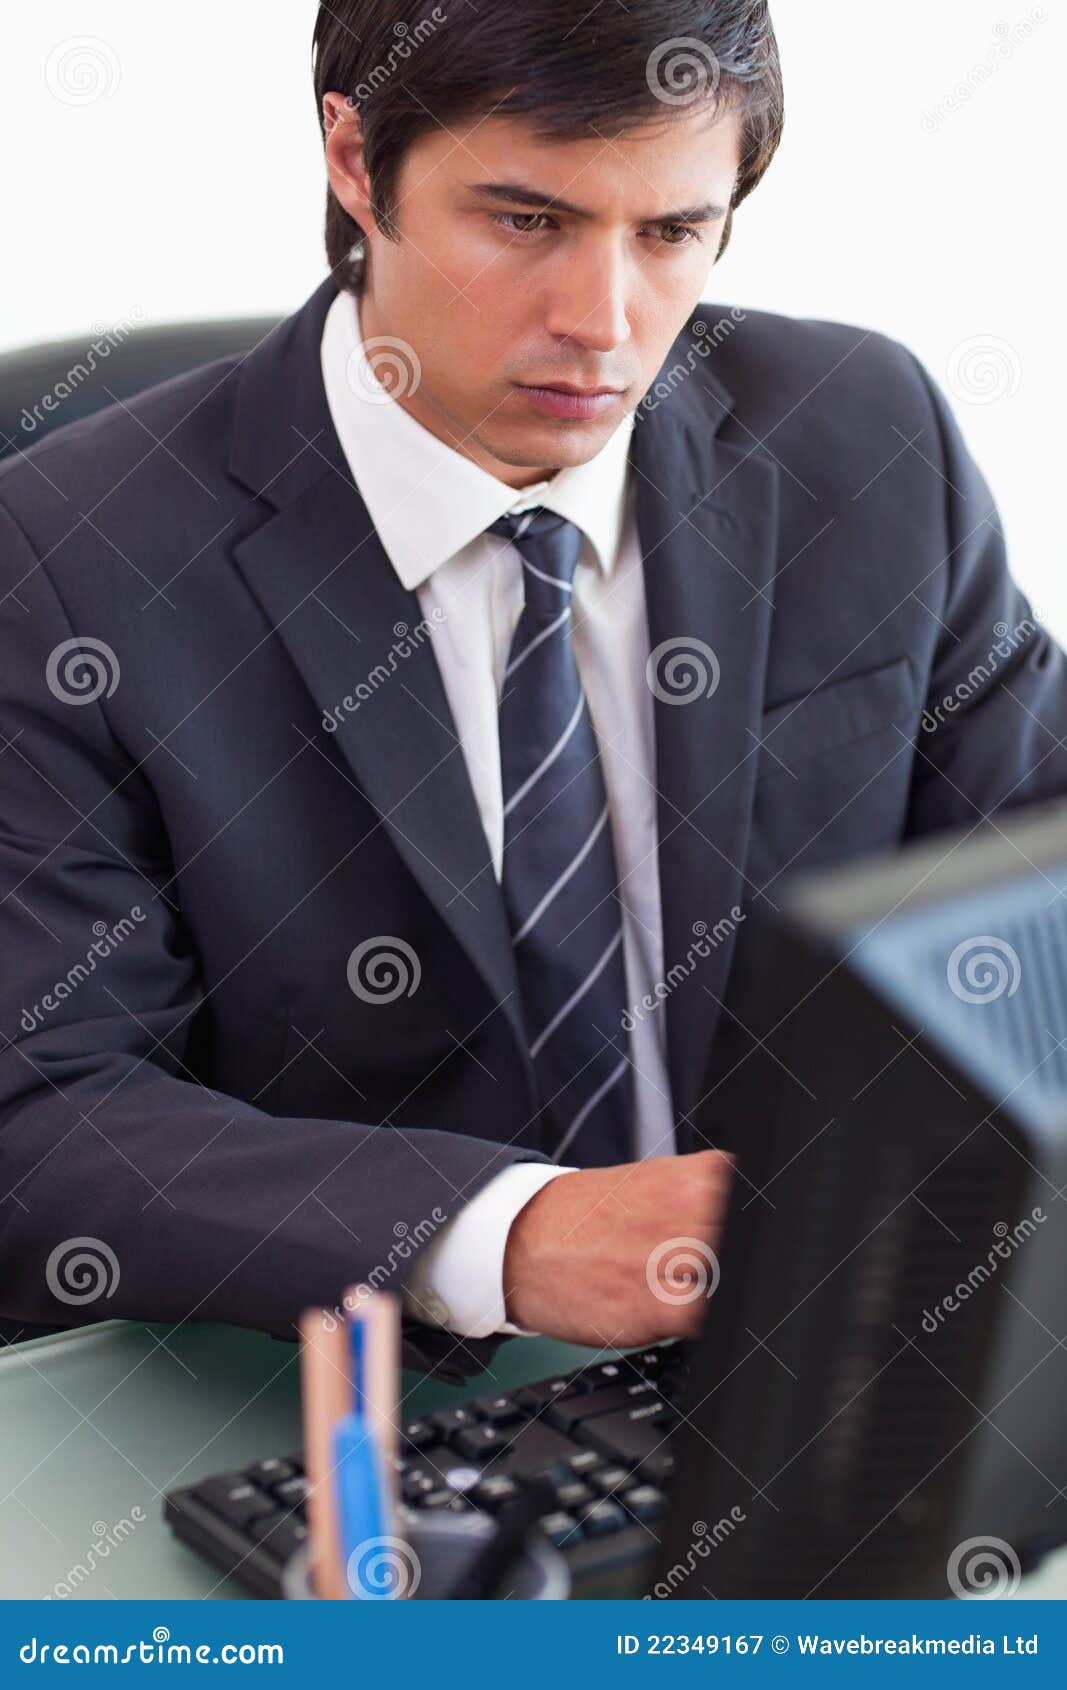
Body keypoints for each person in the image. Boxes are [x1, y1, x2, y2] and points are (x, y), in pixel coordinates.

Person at [1, 1, 1063, 1380]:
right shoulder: (66, 558)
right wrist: (505, 1232)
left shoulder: (865, 433)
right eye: (525, 221)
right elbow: (42, 1110)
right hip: (335, 1399)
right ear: (351, 154)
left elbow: (1036, 877)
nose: (602, 326)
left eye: (671, 232)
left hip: (829, 1363)